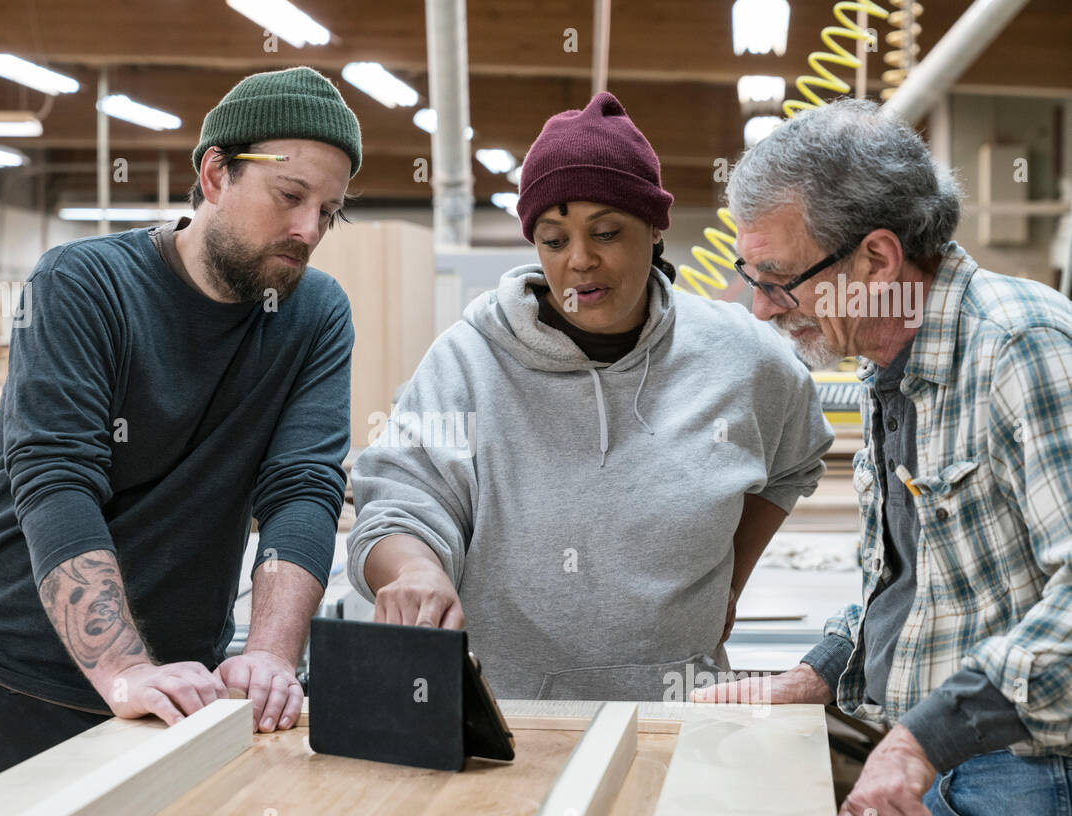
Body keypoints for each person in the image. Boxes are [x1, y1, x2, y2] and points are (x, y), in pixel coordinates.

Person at [0, 66, 362, 796]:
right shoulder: (81, 284)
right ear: (216, 173)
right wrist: (122, 668)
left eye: (329, 211)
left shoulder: (315, 314)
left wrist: (270, 656)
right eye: (290, 196)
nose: (308, 230)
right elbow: (57, 478)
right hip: (14, 675)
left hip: (181, 687)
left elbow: (303, 487)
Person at [346, 92, 833, 701]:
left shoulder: (744, 357)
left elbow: (794, 461)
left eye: (606, 232)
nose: (579, 260)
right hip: (509, 720)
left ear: (655, 229)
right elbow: (400, 502)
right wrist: (415, 568)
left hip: (685, 714)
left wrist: (729, 582)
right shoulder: (467, 362)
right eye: (553, 240)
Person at [695, 97, 1072, 816]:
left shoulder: (1019, 348)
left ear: (876, 259)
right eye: (751, 277)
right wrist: (814, 676)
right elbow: (916, 582)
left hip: (1028, 783)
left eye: (779, 279)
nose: (763, 309)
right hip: (942, 765)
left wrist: (922, 738)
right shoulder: (886, 367)